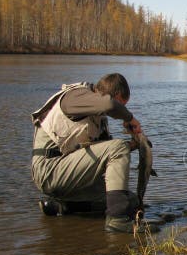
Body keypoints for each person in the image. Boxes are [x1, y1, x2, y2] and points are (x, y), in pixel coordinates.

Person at [30, 73, 144, 233]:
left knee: (131, 200)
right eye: (122, 105)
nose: (121, 110)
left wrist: (133, 145)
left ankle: (65, 207)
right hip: (49, 170)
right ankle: (117, 220)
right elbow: (109, 106)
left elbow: (105, 154)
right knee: (118, 148)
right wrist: (129, 118)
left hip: (70, 173)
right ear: (114, 96)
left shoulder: (97, 119)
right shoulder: (76, 96)